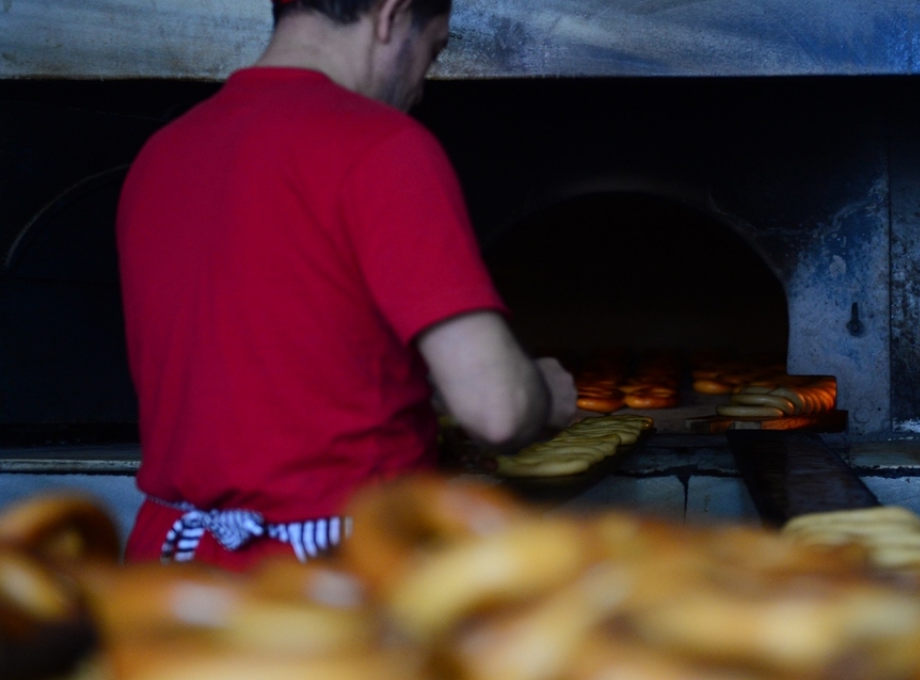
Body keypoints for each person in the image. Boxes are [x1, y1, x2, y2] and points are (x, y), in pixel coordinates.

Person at [116, 0, 576, 570]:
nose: (421, 89)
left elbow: (263, 374)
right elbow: (497, 411)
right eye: (431, 53)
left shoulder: (161, 154)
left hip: (170, 578)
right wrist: (542, 394)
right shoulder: (383, 147)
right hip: (335, 573)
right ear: (391, 14)